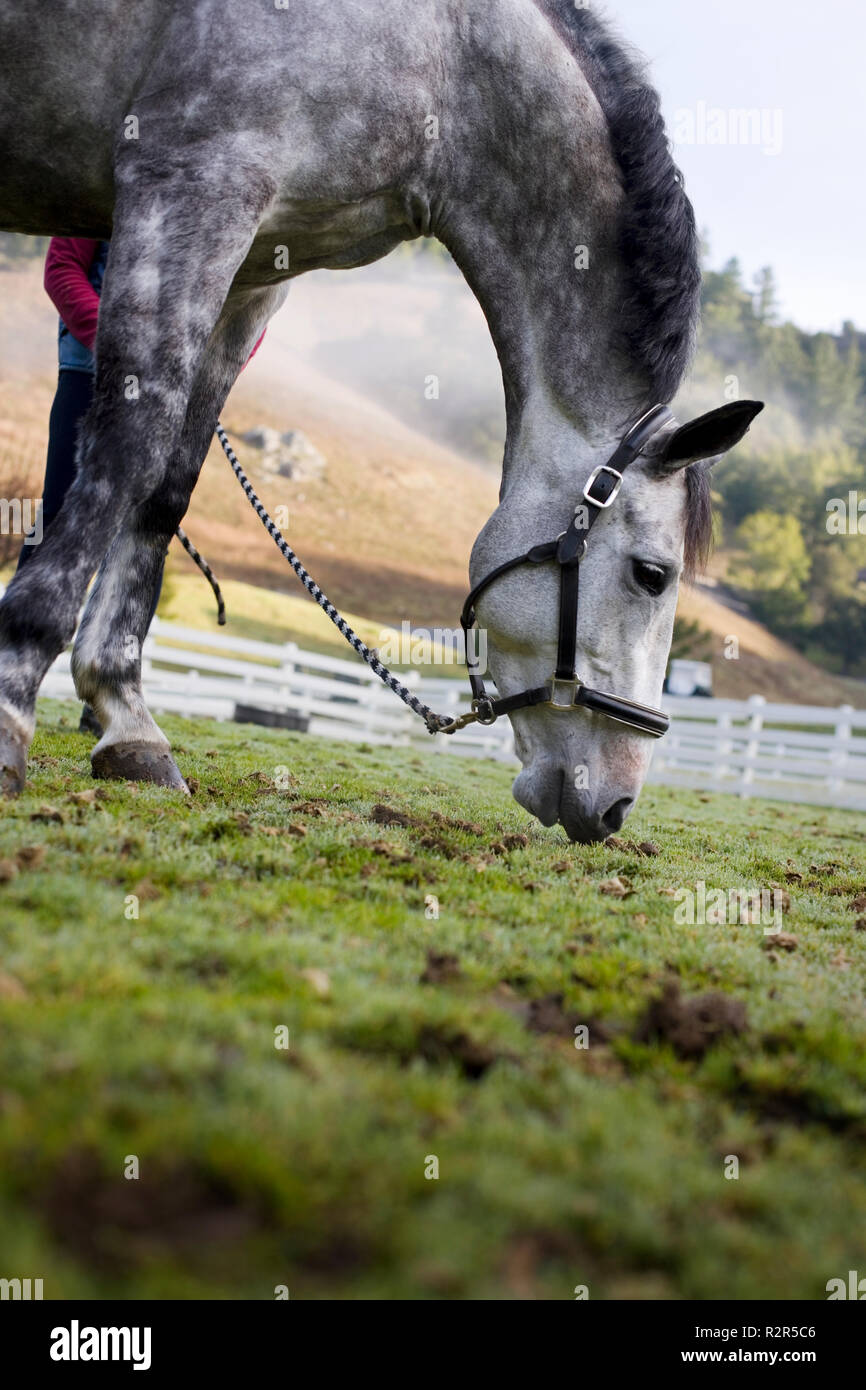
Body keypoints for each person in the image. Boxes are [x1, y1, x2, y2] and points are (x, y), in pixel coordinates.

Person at [23, 237, 263, 735]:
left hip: (173, 388)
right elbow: (62, 268)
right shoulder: (113, 174)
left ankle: (106, 694)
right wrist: (120, 351)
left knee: (146, 532)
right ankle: (14, 662)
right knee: (56, 513)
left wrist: (206, 371)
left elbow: (252, 307)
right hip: (92, 368)